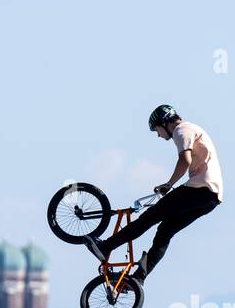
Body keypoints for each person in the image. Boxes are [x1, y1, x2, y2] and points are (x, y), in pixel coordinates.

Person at [83, 105, 223, 279]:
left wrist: (169, 184)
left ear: (164, 123)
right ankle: (139, 277)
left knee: (150, 217)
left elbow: (184, 159)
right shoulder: (193, 129)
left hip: (199, 190)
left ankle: (106, 247)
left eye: (156, 130)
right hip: (211, 199)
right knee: (165, 230)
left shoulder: (181, 130)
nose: (158, 135)